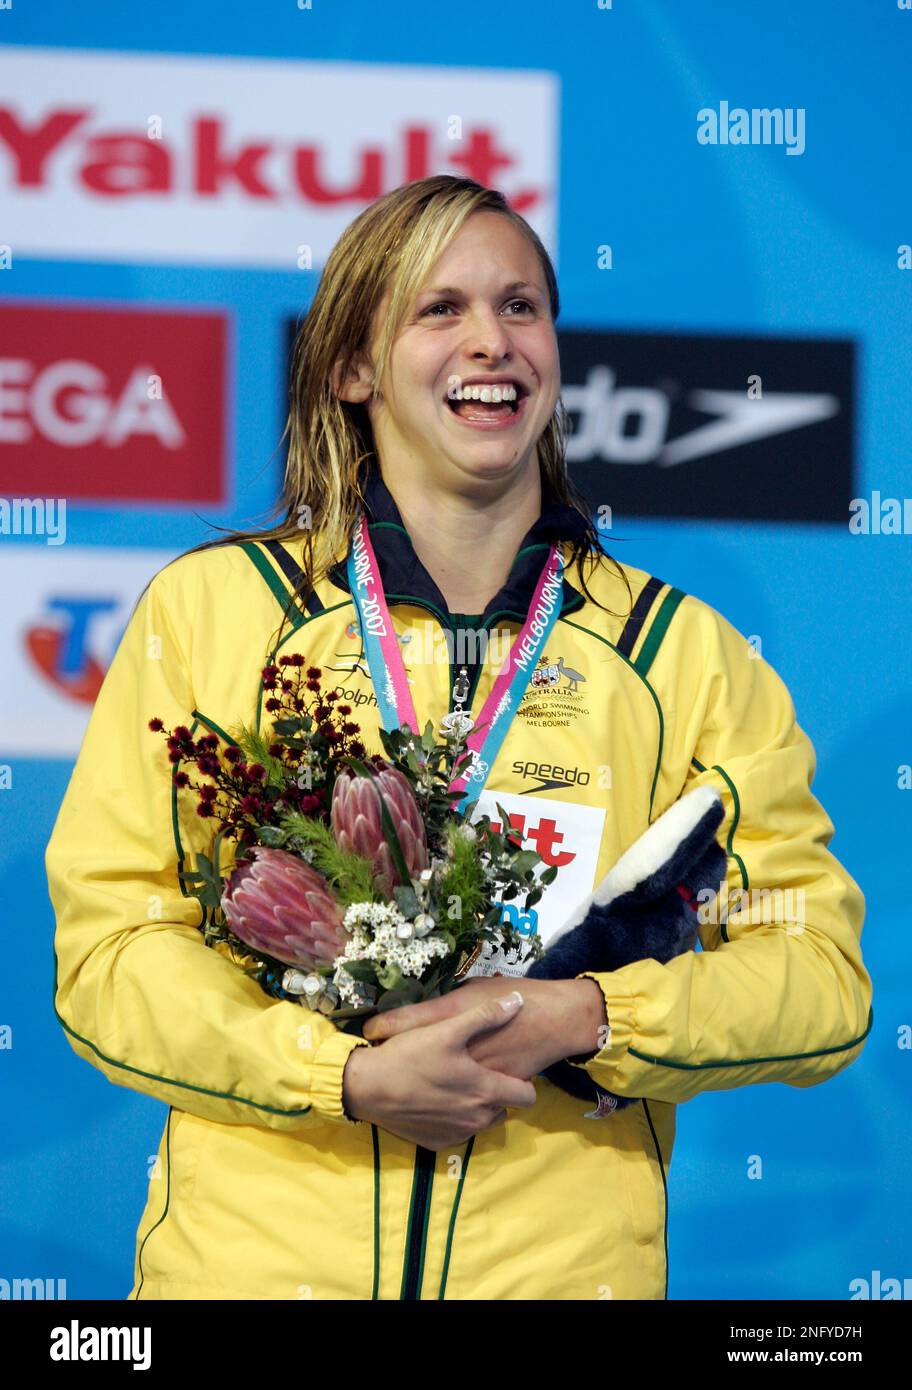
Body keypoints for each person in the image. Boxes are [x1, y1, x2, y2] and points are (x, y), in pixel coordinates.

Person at [45, 174, 873, 1301]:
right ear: (353, 366)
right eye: (441, 309)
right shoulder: (215, 615)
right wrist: (339, 1075)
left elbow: (819, 976)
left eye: (522, 306)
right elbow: (111, 954)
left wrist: (589, 1015)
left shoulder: (686, 657)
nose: (493, 340)